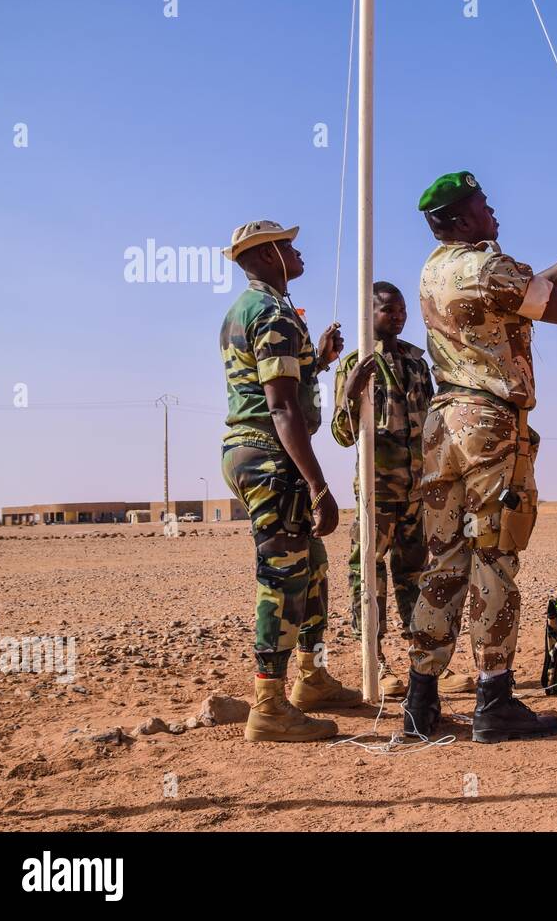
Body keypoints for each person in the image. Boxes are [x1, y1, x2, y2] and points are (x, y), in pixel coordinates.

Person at [405, 171, 557, 743]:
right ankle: (493, 700)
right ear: (458, 219)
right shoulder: (488, 266)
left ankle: (419, 703)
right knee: (494, 556)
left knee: (443, 561)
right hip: (490, 426)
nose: (492, 209)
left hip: (444, 424)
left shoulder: (437, 268)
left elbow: (529, 292)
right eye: (481, 204)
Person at [219, 220, 362, 743]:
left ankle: (312, 677)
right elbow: (280, 408)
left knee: (313, 568)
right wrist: (319, 486)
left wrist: (319, 363)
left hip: (254, 452)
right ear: (261, 257)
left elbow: (281, 388)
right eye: (285, 246)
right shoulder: (273, 313)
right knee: (281, 578)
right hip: (268, 456)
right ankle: (269, 705)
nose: (296, 251)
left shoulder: (251, 311)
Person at [331, 280, 474, 699]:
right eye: (388, 310)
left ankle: (424, 666)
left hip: (419, 492)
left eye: (401, 310)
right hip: (377, 493)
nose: (398, 316)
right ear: (368, 312)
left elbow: (435, 423)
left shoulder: (416, 360)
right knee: (369, 578)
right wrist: (352, 391)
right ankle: (372, 666)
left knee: (416, 578)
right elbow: (342, 434)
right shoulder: (356, 362)